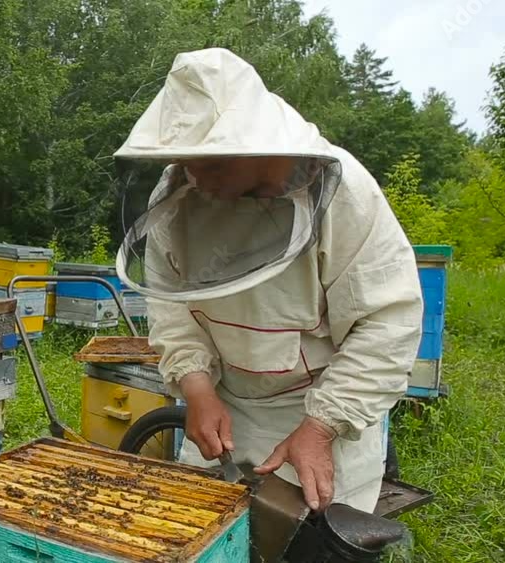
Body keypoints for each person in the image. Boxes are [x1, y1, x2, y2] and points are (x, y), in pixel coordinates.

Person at [112, 48, 424, 513]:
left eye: (212, 164)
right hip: (223, 405)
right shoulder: (178, 195)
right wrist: (195, 387)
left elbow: (387, 323)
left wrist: (321, 427)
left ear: (253, 143)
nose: (197, 177)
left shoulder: (346, 194)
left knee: (309, 544)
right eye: (185, 161)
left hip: (322, 409)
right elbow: (171, 308)